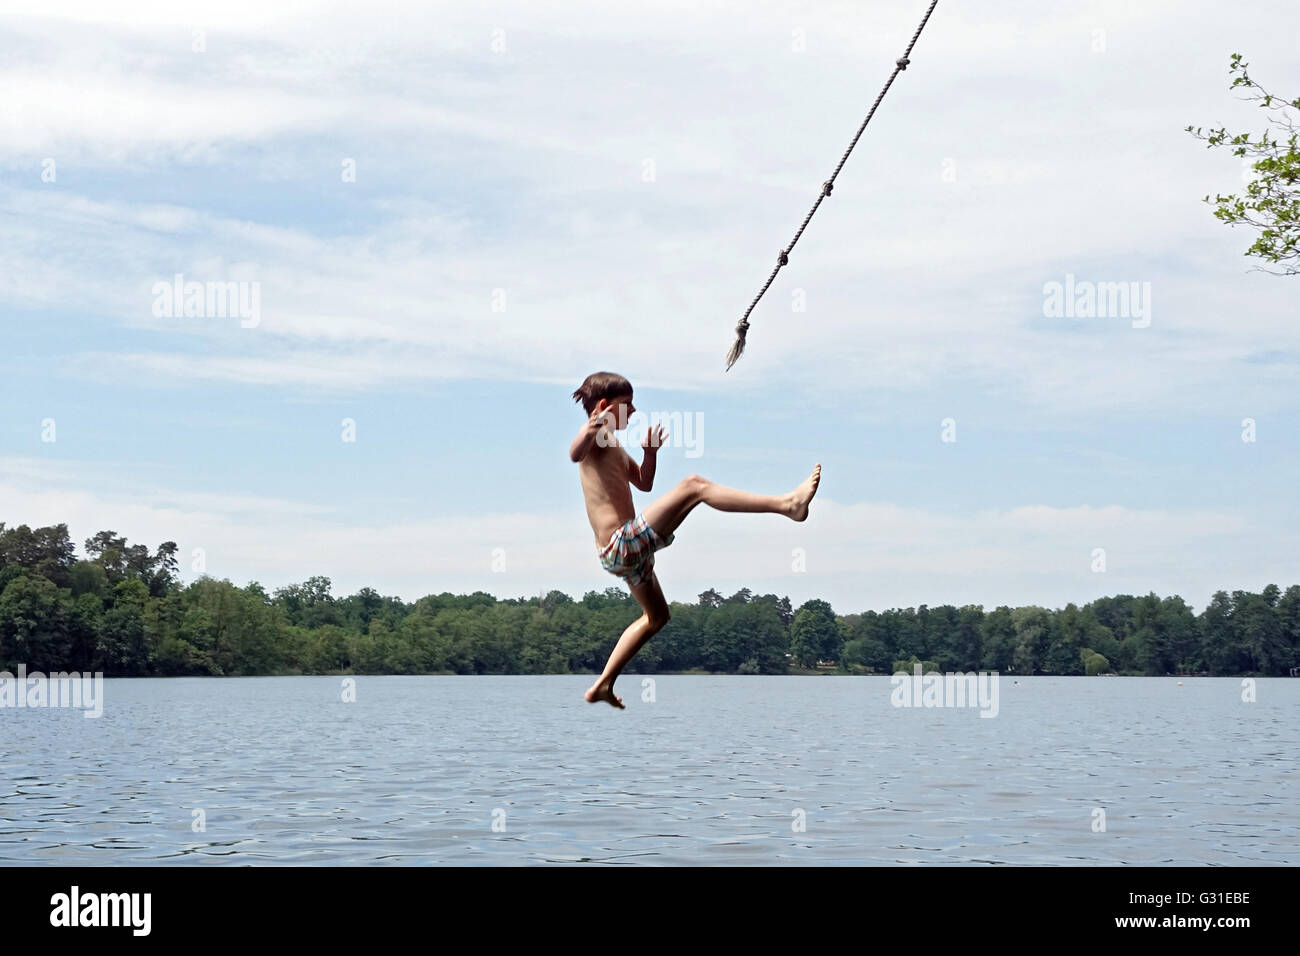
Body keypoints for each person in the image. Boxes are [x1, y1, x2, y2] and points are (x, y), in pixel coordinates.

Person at [569, 371, 821, 708]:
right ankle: (788, 505)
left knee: (657, 618)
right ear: (603, 406)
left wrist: (650, 452)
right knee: (694, 486)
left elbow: (644, 483)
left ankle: (603, 683)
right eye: (626, 405)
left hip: (627, 554)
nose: (633, 411)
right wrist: (590, 426)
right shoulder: (594, 439)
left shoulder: (612, 445)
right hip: (622, 543)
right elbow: (574, 453)